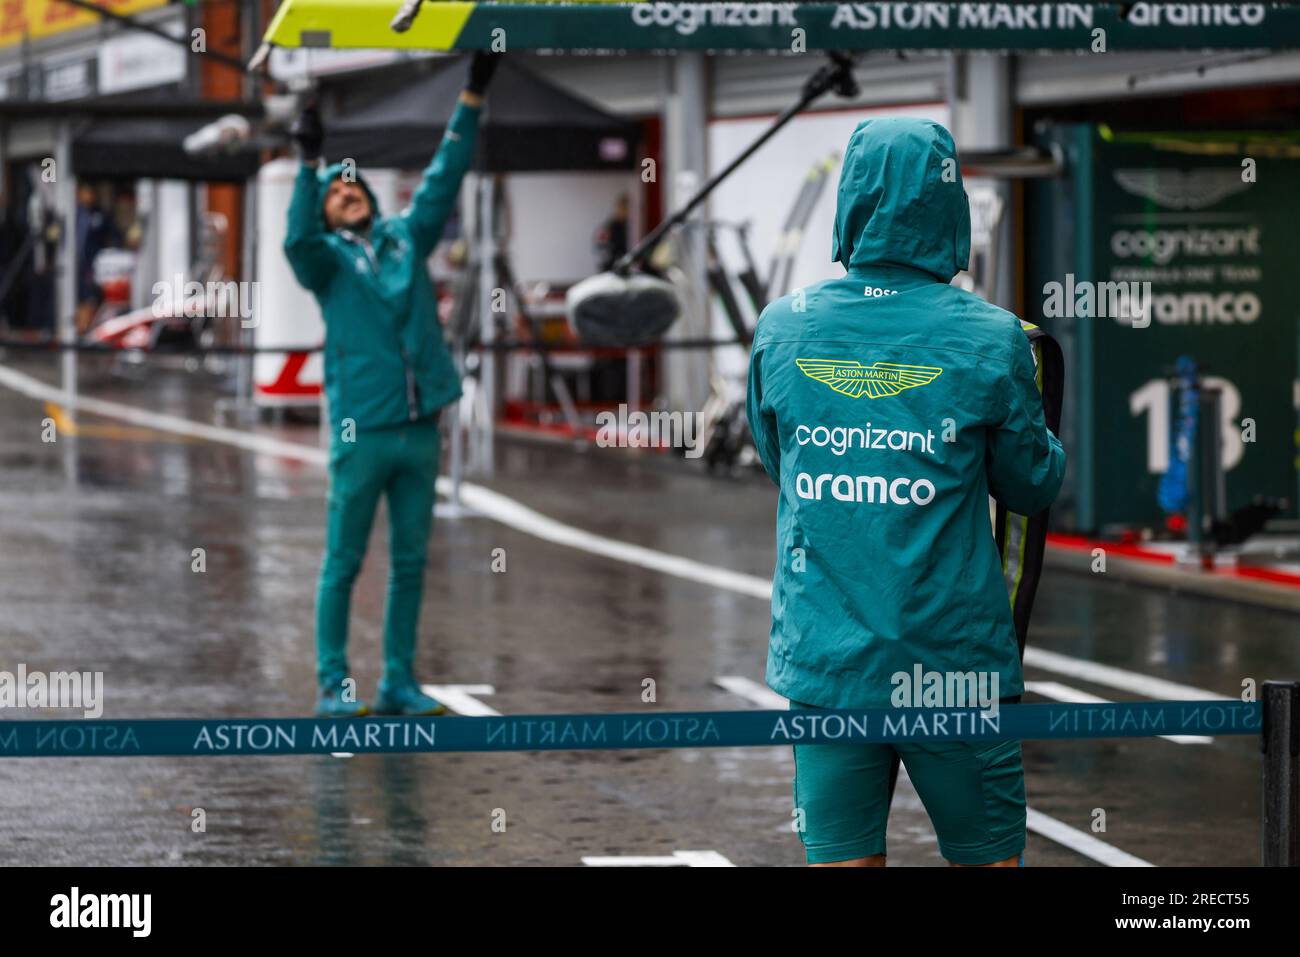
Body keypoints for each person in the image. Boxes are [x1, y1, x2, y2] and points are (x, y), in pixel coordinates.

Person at [745, 117, 1066, 867]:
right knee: (986, 857)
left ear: (849, 203)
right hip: (953, 662)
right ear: (948, 207)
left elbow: (780, 462)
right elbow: (1033, 481)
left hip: (827, 664)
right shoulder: (993, 338)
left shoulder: (783, 327)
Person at [284, 52, 500, 718]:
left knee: (410, 564)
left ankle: (397, 682)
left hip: (419, 428)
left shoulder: (406, 237)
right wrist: (307, 165)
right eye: (336, 194)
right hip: (363, 431)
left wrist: (471, 98)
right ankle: (332, 685)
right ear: (326, 212)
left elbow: (442, 178)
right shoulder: (323, 261)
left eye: (354, 188)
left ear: (372, 199)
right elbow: (296, 236)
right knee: (343, 561)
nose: (348, 193)